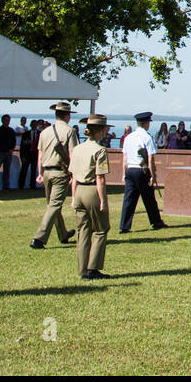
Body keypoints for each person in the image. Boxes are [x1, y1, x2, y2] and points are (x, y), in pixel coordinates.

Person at [70, 114, 112, 280]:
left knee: (83, 232)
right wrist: (103, 200)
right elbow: (100, 177)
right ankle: (92, 268)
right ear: (100, 131)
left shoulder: (78, 149)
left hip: (79, 190)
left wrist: (74, 197)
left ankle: (82, 269)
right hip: (92, 191)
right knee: (101, 229)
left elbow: (73, 175)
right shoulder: (100, 150)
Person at [30, 102, 78, 249]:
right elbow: (73, 154)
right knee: (54, 205)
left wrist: (40, 173)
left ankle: (63, 234)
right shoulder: (70, 131)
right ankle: (39, 238)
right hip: (60, 171)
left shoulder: (45, 132)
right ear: (67, 115)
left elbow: (40, 154)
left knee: (52, 205)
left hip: (46, 171)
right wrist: (74, 173)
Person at [119, 111, 166, 234]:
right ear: (146, 123)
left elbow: (124, 158)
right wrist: (153, 175)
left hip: (130, 170)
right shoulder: (147, 137)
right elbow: (150, 158)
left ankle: (124, 226)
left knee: (129, 199)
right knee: (149, 197)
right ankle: (156, 222)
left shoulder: (129, 137)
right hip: (141, 170)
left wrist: (124, 173)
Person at [0, 114, 17, 190]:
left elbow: (14, 141)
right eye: (5, 120)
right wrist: (5, 150)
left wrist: (11, 149)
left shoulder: (11, 130)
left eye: (8, 120)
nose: (7, 122)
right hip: (0, 152)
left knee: (7, 170)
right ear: (2, 120)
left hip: (9, 153)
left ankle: (6, 185)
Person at [16, 117, 37, 189]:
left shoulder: (39, 134)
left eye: (35, 124)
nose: (34, 126)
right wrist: (22, 156)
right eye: (33, 124)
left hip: (35, 154)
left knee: (34, 170)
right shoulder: (26, 134)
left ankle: (33, 185)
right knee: (24, 169)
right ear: (31, 125)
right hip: (27, 154)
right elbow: (22, 145)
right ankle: (21, 185)